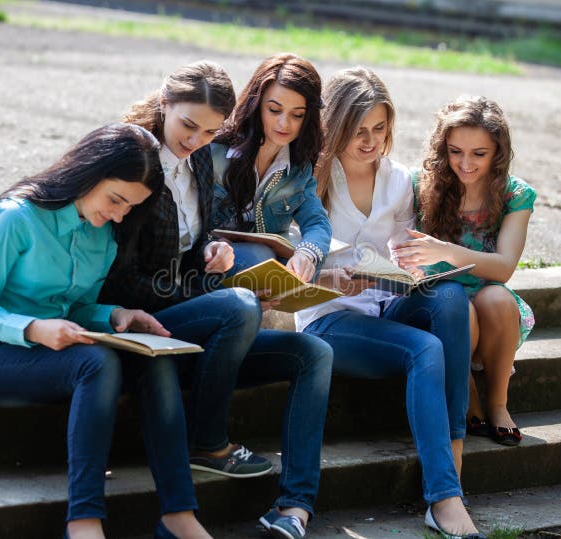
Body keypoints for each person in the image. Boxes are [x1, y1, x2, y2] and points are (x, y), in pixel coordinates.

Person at [0, 123, 219, 539]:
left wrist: (115, 315)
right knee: (96, 363)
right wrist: (34, 328)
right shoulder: (15, 217)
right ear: (89, 171)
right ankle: (84, 524)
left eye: (129, 208)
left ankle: (179, 516)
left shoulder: (104, 237)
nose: (117, 215)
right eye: (115, 199)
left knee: (155, 361)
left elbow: (75, 307)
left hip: (54, 354)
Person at [100, 61, 333, 539]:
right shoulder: (137, 162)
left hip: (194, 315)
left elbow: (199, 235)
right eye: (188, 126)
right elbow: (123, 277)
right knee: (241, 305)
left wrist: (213, 249)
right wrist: (213, 283)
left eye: (207, 131)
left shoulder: (202, 157)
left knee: (315, 353)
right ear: (164, 106)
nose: (196, 139)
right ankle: (207, 442)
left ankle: (295, 507)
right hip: (145, 315)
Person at [297, 67, 485, 539]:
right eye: (359, 130)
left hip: (386, 305)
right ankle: (444, 497)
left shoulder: (399, 181)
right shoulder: (307, 182)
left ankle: (453, 456)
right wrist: (333, 280)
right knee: (426, 350)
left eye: (380, 129)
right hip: (330, 321)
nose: (371, 141)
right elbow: (289, 272)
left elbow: (405, 256)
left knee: (449, 295)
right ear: (334, 126)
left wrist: (412, 271)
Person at [396, 95, 537, 447]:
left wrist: (444, 250)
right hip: (439, 302)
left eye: (479, 153)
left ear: (498, 153)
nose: (465, 163)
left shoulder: (514, 195)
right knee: (454, 301)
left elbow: (504, 267)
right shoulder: (419, 185)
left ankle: (498, 403)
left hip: (492, 313)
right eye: (456, 151)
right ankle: (469, 393)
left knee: (496, 298)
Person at [209, 52, 331, 282]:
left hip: (261, 263)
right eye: (274, 110)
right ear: (256, 105)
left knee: (305, 269)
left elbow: (317, 221)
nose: (284, 123)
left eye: (297, 115)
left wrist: (307, 254)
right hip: (209, 259)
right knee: (261, 256)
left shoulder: (298, 167)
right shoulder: (215, 151)